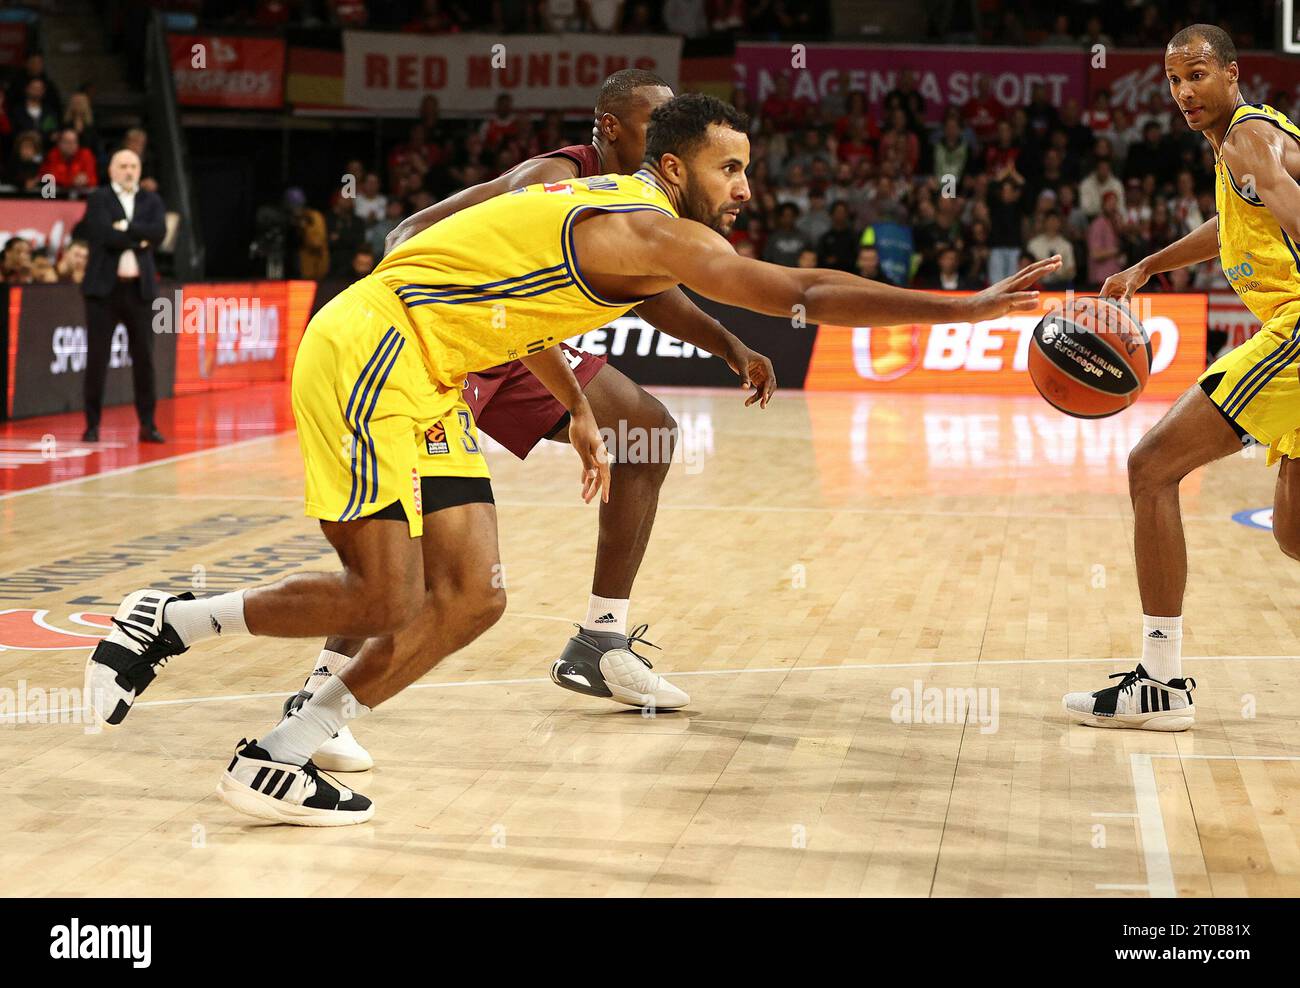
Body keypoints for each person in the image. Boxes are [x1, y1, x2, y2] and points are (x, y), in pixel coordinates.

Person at [87, 93, 1059, 825]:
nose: (746, 189)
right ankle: (168, 621)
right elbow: (794, 287)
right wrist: (959, 306)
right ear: (674, 168)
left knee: (471, 596)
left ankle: (281, 748)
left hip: (431, 376)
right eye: (730, 170)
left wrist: (578, 413)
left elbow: (522, 309)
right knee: (385, 597)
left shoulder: (613, 220)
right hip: (372, 352)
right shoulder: (638, 224)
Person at [287, 70, 777, 773]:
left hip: (504, 335)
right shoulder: (553, 177)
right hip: (438, 329)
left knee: (648, 432)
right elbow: (445, 252)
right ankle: (315, 698)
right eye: (654, 124)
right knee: (416, 534)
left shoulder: (630, 202)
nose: (669, 136)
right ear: (611, 127)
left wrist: (727, 344)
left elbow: (651, 291)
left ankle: (598, 641)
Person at [1063, 24, 1300, 731]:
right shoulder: (1243, 147)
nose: (1183, 92)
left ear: (1233, 74)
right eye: (1172, 80)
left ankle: (1161, 683)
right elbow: (1233, 222)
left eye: (1197, 74)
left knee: (1151, 466)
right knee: (1293, 534)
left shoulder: (1245, 139)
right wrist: (1148, 264)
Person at [78, 148, 166, 443]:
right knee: (97, 359)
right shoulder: (99, 198)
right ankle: (92, 425)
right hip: (104, 291)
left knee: (144, 359)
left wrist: (126, 228)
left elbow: (159, 233)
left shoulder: (150, 199)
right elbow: (103, 235)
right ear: (112, 170)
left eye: (133, 166)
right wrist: (137, 238)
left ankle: (148, 424)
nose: (128, 171)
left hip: (139, 292)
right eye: (123, 166)